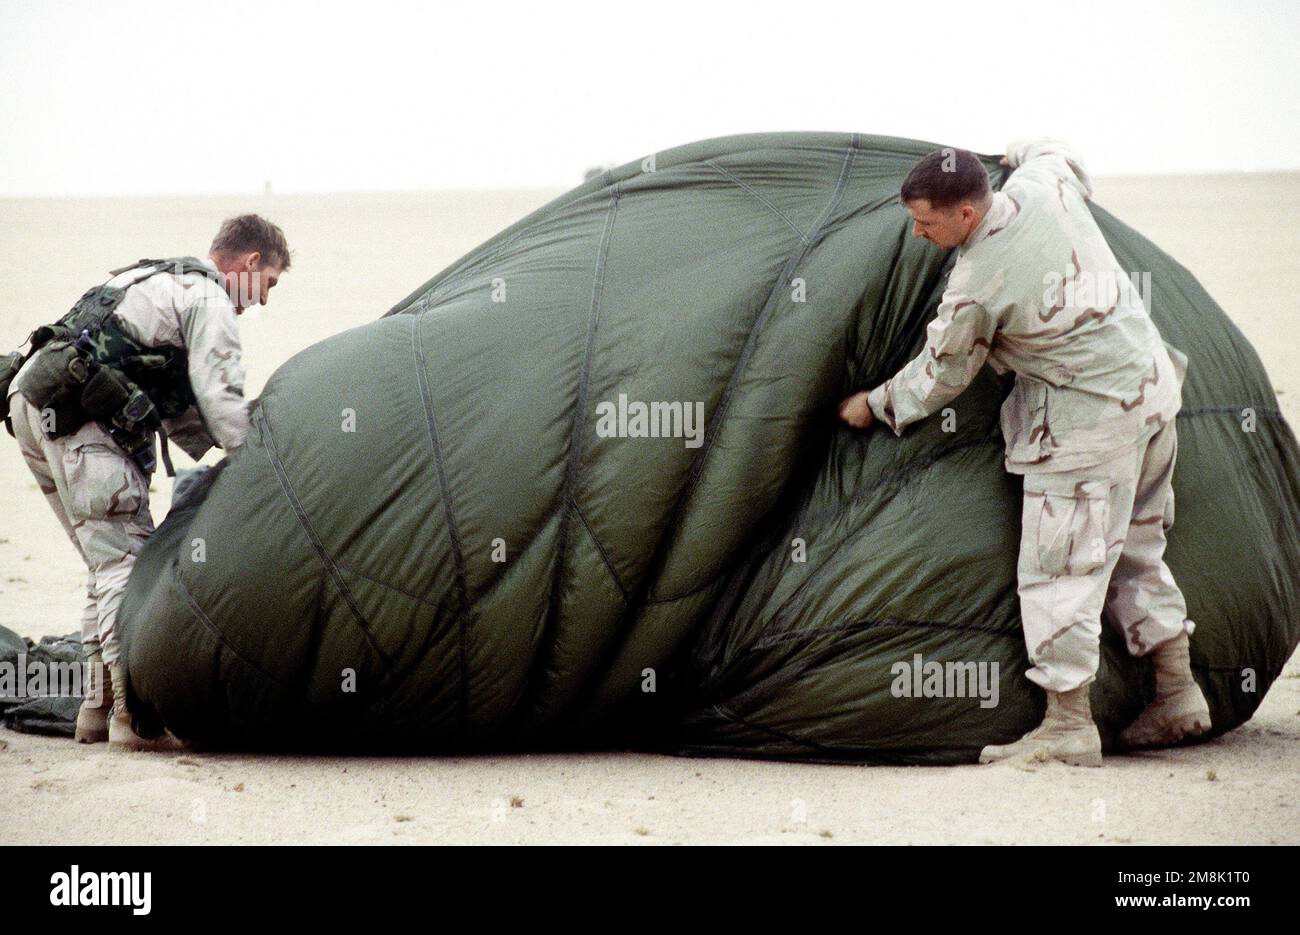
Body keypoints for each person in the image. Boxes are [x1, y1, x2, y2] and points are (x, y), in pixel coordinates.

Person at [838, 141, 1211, 767]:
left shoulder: (978, 281)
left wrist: (873, 404)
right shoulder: (1044, 185)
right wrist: (1022, 145)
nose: (917, 233)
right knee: (1136, 548)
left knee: (1060, 574)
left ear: (964, 215)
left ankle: (1067, 728)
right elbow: (1057, 153)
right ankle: (1178, 692)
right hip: (1151, 401)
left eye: (924, 222)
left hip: (1086, 435)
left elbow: (942, 374)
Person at [2, 214, 290, 749]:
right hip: (81, 424)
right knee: (124, 565)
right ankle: (131, 720)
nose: (265, 300)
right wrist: (258, 467)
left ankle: (95, 708)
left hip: (31, 406)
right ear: (250, 263)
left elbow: (183, 410)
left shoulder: (153, 279)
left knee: (103, 560)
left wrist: (212, 452)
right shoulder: (209, 300)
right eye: (269, 283)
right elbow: (220, 397)